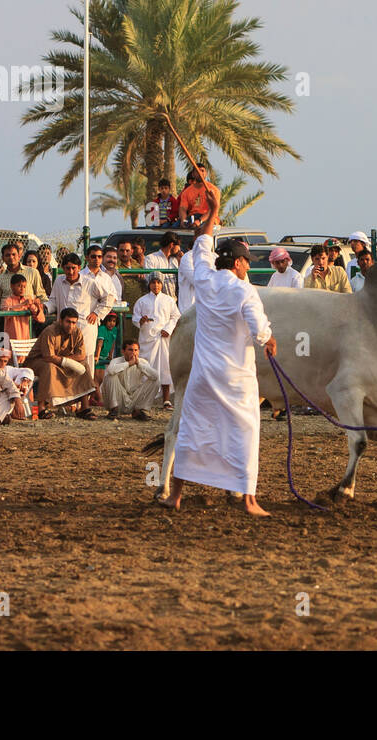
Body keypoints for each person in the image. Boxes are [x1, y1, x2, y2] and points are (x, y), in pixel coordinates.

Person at [164, 180, 276, 516]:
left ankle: (176, 495)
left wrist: (213, 210)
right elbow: (258, 332)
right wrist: (270, 339)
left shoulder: (205, 279)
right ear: (239, 264)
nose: (248, 266)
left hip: (203, 374)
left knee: (192, 430)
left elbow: (202, 244)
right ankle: (248, 499)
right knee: (246, 431)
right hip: (236, 378)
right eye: (247, 261)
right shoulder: (245, 291)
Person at [47, 252, 113, 383]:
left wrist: (97, 313)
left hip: (85, 328)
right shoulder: (59, 281)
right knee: (65, 361)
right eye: (67, 268)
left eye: (73, 268)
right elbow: (52, 302)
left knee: (85, 361)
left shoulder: (89, 283)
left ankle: (85, 399)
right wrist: (43, 308)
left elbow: (109, 298)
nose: (70, 271)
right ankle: (68, 400)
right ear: (63, 268)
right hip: (64, 330)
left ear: (79, 267)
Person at [25, 308, 97, 419]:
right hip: (38, 362)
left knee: (83, 365)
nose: (71, 325)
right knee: (49, 367)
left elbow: (81, 355)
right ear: (61, 321)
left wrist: (65, 360)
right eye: (68, 322)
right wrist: (66, 361)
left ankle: (84, 407)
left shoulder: (77, 332)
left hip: (58, 361)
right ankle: (41, 408)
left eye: (73, 322)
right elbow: (48, 356)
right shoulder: (50, 331)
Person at [134, 271, 181, 408]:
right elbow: (135, 317)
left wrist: (168, 328)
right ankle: (144, 399)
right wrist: (141, 321)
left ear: (162, 284)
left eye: (158, 282)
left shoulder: (169, 300)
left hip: (164, 338)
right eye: (153, 282)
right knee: (147, 366)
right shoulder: (142, 301)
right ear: (149, 284)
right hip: (148, 338)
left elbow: (175, 316)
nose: (156, 285)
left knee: (165, 367)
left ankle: (166, 399)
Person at [103, 340, 160, 420]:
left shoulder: (143, 362)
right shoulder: (116, 361)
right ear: (123, 351)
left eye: (136, 350)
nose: (133, 353)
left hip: (134, 399)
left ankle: (139, 411)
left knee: (156, 380)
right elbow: (110, 370)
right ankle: (114, 409)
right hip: (120, 398)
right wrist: (128, 363)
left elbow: (155, 376)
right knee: (110, 376)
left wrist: (139, 365)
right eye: (130, 350)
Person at [0, 273, 46, 343]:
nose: (22, 289)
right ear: (12, 286)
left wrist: (37, 306)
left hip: (25, 337)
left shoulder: (27, 301)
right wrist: (22, 305)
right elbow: (7, 313)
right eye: (19, 286)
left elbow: (41, 319)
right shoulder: (7, 301)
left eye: (24, 287)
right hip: (12, 338)